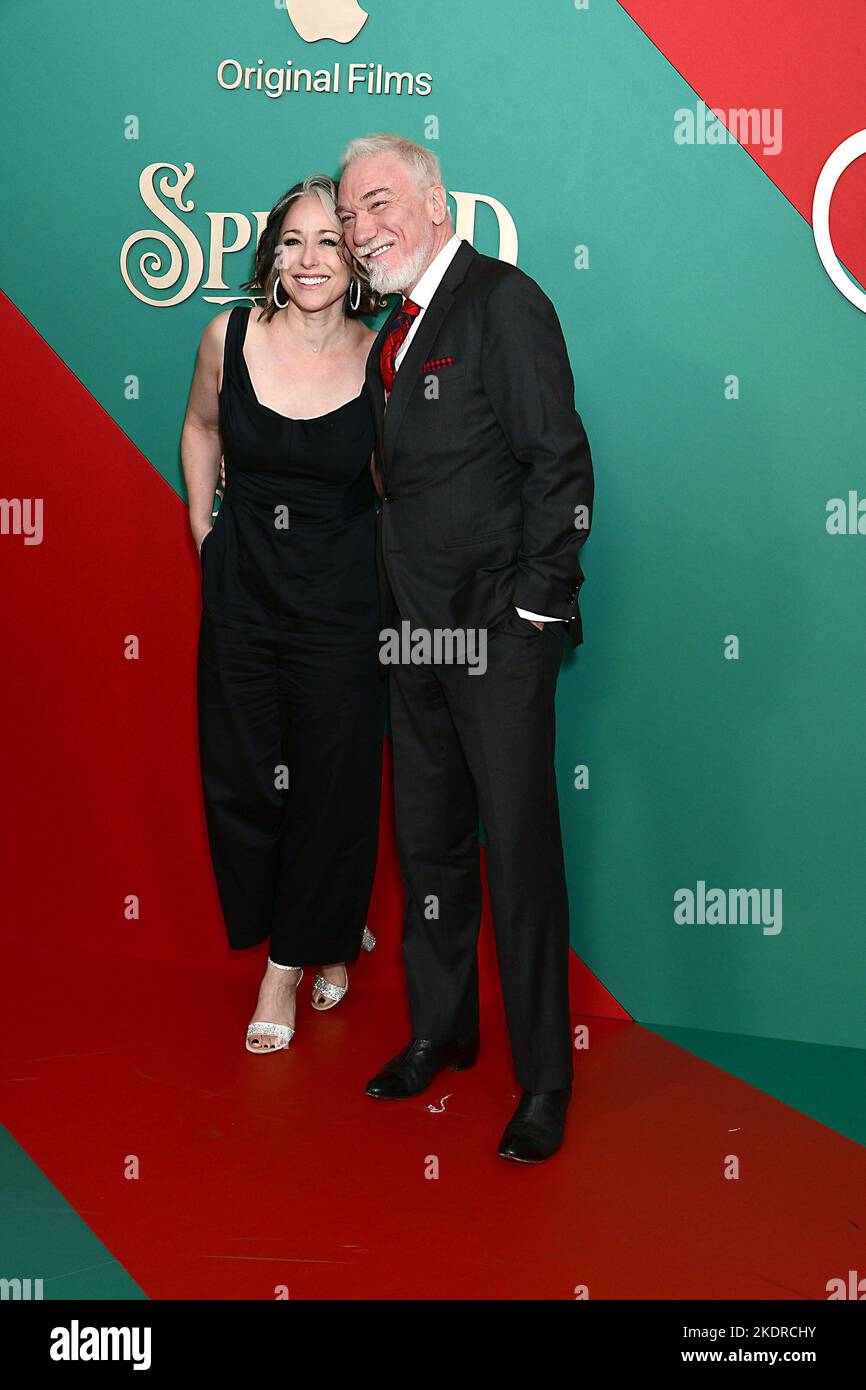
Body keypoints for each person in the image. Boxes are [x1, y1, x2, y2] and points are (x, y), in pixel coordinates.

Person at [337, 135, 594, 1162]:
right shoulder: (390, 331)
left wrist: (536, 612)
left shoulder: (503, 300)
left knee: (519, 856)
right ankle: (440, 1031)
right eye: (351, 215)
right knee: (430, 845)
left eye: (379, 203)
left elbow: (558, 464)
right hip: (414, 635)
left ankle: (544, 1081)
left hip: (496, 636)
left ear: (436, 199)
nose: (363, 230)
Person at [181, 174, 387, 1053]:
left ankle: (288, 965)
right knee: (244, 778)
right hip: (242, 595)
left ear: (355, 260)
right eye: (294, 241)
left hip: (341, 606)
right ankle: (333, 934)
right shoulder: (227, 335)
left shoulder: (381, 359)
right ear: (273, 253)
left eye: (329, 243)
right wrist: (202, 529)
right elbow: (200, 428)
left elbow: (395, 491)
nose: (311, 260)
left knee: (332, 791)